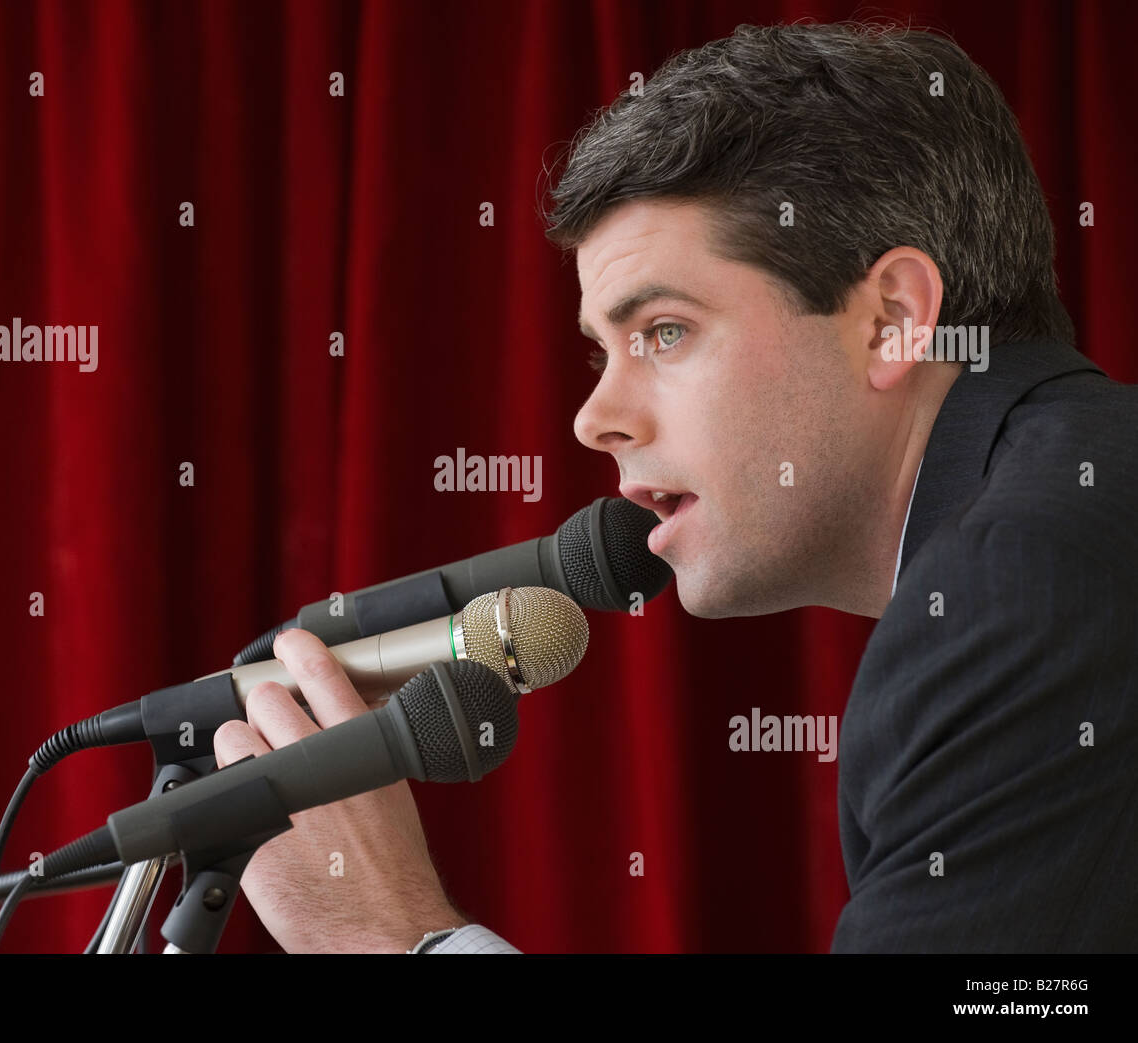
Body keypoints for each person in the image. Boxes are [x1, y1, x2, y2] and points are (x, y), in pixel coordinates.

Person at [213, 21, 1138, 953]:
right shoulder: (1060, 515)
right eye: (599, 350)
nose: (592, 419)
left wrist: (387, 933)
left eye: (663, 330)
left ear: (893, 319)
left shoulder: (1013, 596)